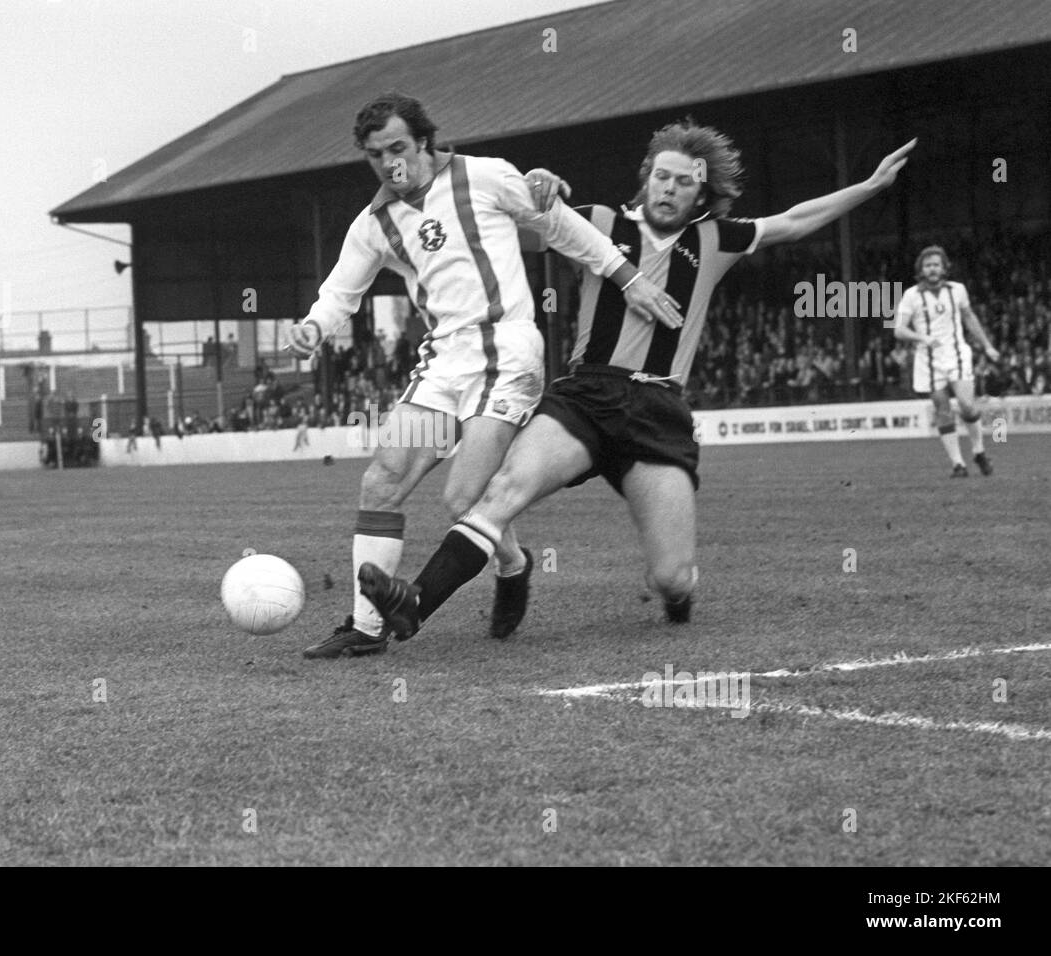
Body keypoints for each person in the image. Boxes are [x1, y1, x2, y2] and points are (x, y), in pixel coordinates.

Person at [356, 120, 917, 642]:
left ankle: (679, 592)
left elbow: (794, 221)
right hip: (583, 399)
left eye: (684, 183)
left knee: (670, 577)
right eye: (662, 176)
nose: (670, 189)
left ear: (701, 193)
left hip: (657, 410)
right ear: (646, 178)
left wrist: (869, 185)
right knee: (499, 493)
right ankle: (415, 602)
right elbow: (498, 226)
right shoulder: (598, 223)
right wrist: (538, 185)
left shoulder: (718, 239)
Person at [288, 91, 680, 659]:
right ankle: (368, 627)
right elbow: (338, 294)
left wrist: (627, 277)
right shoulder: (372, 223)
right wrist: (312, 327)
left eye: (398, 147)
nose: (390, 163)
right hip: (444, 359)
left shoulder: (486, 177)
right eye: (375, 155)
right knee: (381, 479)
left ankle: (513, 566)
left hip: (509, 349)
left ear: (423, 140)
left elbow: (561, 223)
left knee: (463, 496)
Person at [893, 245, 1001, 476]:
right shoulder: (911, 295)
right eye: (928, 265)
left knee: (967, 404)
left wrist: (988, 346)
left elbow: (969, 318)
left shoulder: (957, 290)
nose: (932, 269)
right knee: (942, 409)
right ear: (921, 269)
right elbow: (899, 330)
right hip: (929, 360)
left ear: (944, 268)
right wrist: (922, 337)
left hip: (957, 354)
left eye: (936, 265)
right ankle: (958, 464)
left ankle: (979, 451)